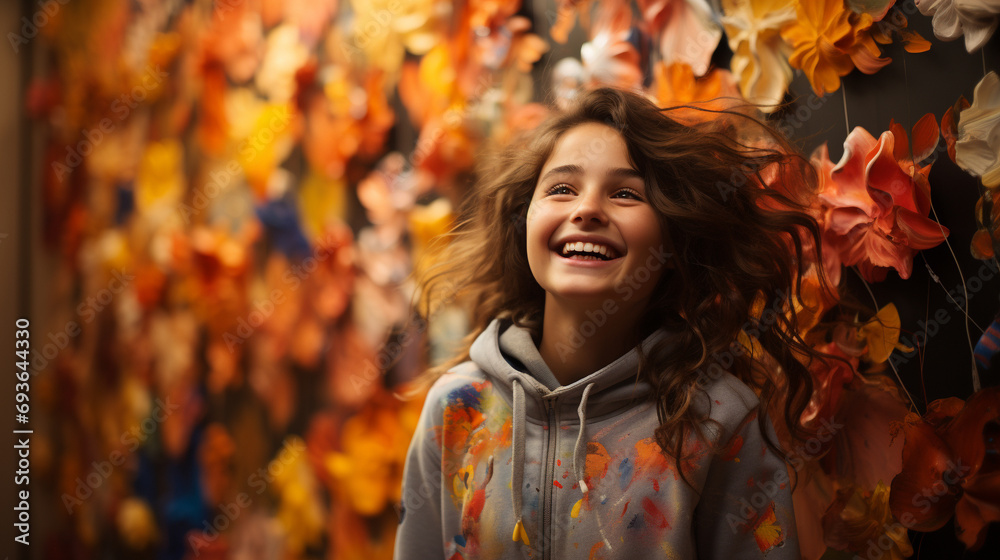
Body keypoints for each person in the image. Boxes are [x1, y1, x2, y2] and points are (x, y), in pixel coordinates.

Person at [394, 87, 836, 559]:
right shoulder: (457, 407)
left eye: (626, 193)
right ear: (523, 221)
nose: (586, 209)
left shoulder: (719, 421)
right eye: (562, 188)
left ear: (671, 242)